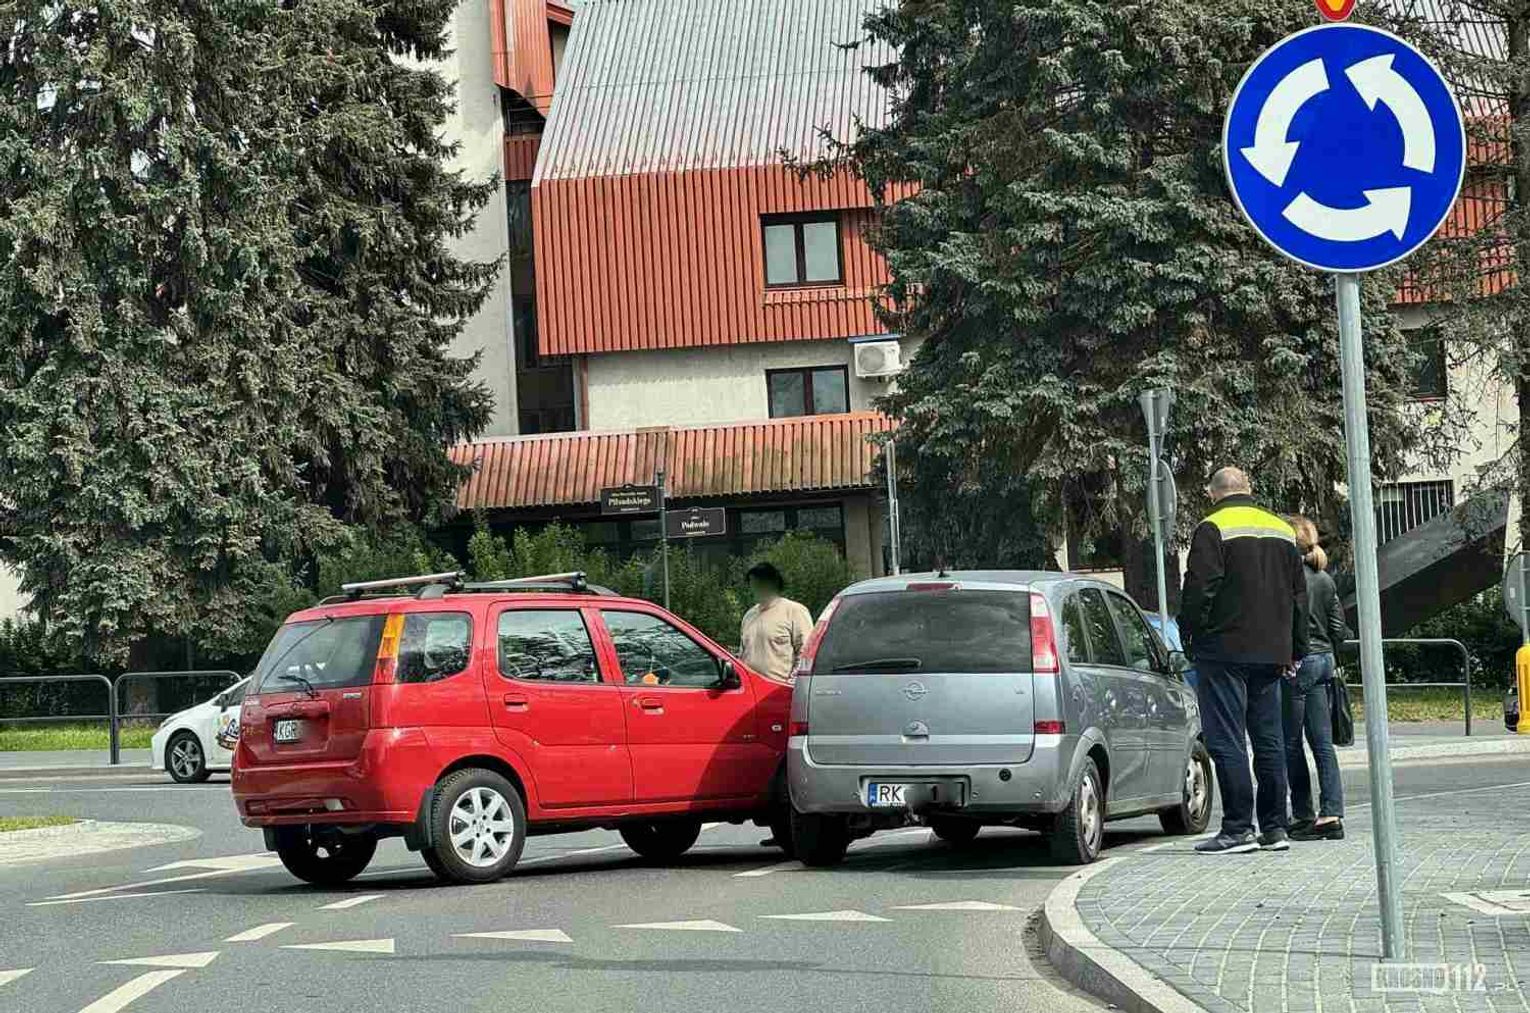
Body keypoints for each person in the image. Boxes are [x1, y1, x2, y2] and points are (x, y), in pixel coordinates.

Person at [1179, 466, 1308, 855]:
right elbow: (1298, 596)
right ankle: (1274, 828)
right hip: (1271, 653)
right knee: (1268, 740)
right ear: (1249, 489)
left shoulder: (1212, 527)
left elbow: (1200, 588)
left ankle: (1238, 828)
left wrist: (1191, 634)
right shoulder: (1282, 530)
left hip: (1224, 651)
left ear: (1214, 493)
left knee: (1226, 739)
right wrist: (1294, 648)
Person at [1283, 516, 1348, 841]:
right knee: (1322, 744)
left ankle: (1304, 814)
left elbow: (1286, 623)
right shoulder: (1324, 578)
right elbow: (1338, 627)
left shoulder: (1288, 577)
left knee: (1291, 743)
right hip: (1325, 661)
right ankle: (1332, 813)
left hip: (1300, 661)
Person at [739, 562, 814, 683]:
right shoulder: (749, 616)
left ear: (774, 583)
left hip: (780, 690)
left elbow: (807, 651)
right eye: (752, 583)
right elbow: (742, 654)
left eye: (759, 583)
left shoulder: (794, 611)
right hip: (750, 691)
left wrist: (792, 684)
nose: (755, 587)